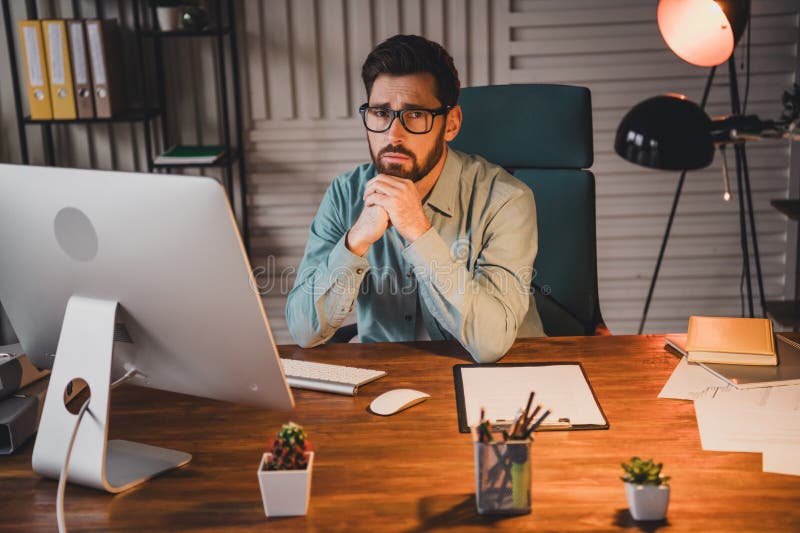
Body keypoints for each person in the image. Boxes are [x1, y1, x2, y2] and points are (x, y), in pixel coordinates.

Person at [286, 34, 544, 363]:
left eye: (416, 115)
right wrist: (356, 240)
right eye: (381, 113)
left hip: (498, 376)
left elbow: (490, 344)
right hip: (388, 373)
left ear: (451, 124)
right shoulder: (344, 194)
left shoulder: (506, 201)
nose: (393, 134)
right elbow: (303, 331)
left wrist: (419, 232)